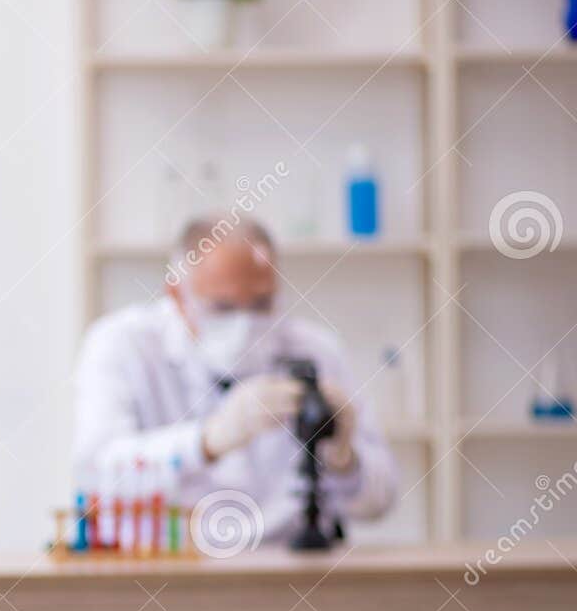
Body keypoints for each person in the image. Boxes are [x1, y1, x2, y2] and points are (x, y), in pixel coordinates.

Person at [73, 217, 396, 547]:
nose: (244, 323)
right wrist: (207, 441)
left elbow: (379, 502)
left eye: (260, 303)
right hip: (167, 567)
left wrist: (343, 459)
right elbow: (97, 473)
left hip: (290, 568)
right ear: (177, 295)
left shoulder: (316, 351)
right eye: (222, 307)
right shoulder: (123, 344)